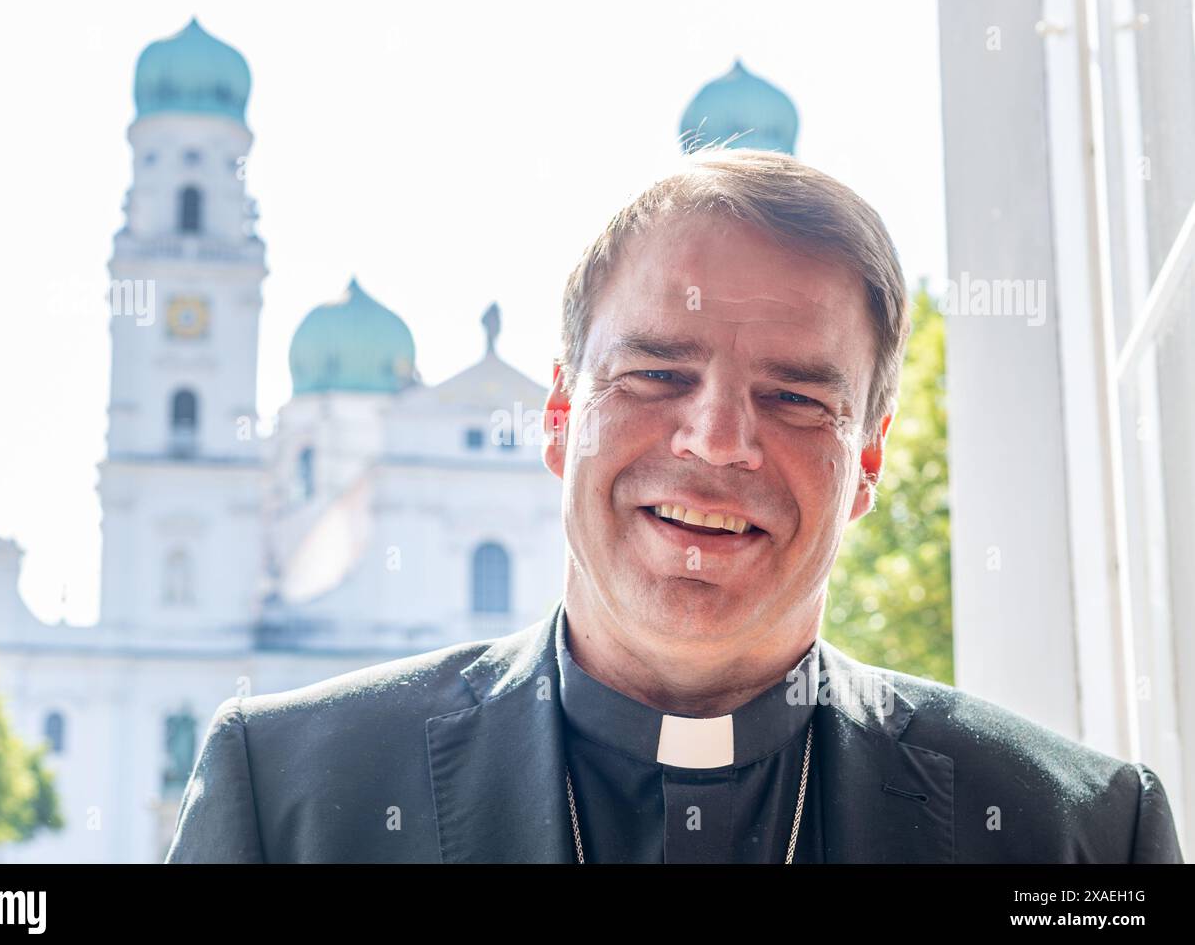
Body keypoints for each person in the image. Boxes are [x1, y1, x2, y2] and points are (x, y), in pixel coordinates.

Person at [165, 146, 1183, 863]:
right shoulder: (292, 793)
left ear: (868, 456)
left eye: (793, 397)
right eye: (655, 373)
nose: (717, 439)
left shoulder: (1077, 833)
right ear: (561, 414)